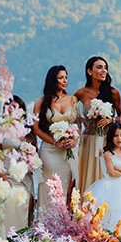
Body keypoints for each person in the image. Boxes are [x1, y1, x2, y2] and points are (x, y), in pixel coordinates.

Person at [32, 65, 80, 209]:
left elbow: (78, 124)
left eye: (66, 77)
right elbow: (35, 128)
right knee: (49, 189)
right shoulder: (41, 102)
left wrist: (74, 139)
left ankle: (63, 220)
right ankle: (46, 220)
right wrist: (54, 142)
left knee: (67, 188)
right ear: (53, 80)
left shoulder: (73, 99)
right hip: (49, 152)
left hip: (68, 151)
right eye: (61, 78)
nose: (65, 81)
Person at [74, 56, 121, 193]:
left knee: (106, 177)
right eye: (99, 67)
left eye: (105, 68)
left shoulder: (113, 92)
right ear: (89, 71)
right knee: (88, 176)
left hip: (108, 142)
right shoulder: (81, 93)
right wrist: (82, 121)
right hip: (88, 142)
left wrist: (111, 120)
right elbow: (70, 112)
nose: (104, 70)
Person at [0, 96, 36, 232]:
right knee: (8, 215)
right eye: (11, 106)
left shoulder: (27, 130)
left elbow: (34, 153)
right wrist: (2, 177)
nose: (13, 109)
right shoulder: (1, 129)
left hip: (24, 179)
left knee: (24, 212)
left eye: (17, 107)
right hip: (8, 176)